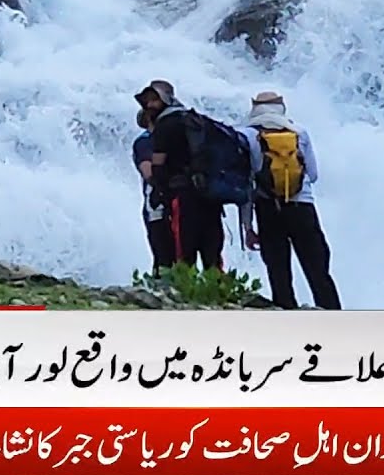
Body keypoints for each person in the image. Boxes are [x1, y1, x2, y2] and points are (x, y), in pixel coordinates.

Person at [239, 91, 342, 309]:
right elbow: (313, 175)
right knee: (317, 268)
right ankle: (332, 314)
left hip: (267, 208)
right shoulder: (299, 132)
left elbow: (246, 184)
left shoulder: (247, 135)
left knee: (278, 269)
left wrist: (247, 226)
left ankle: (286, 314)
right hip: (302, 207)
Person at [134, 80, 225, 272]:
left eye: (153, 100)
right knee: (212, 252)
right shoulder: (195, 121)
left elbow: (154, 169)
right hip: (208, 195)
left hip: (180, 197)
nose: (149, 106)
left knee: (182, 252)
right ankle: (218, 292)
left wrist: (160, 190)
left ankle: (182, 294)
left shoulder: (165, 126)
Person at [133, 107, 175, 272]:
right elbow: (148, 172)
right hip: (157, 206)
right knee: (164, 254)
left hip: (168, 203)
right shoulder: (145, 142)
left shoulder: (158, 140)